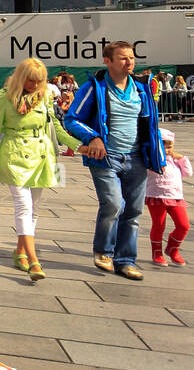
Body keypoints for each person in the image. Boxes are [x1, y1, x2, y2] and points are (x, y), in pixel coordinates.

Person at [65, 41, 166, 281]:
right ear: (107, 61)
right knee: (113, 204)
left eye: (131, 57)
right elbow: (71, 119)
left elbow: (151, 124)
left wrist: (158, 152)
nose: (129, 62)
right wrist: (93, 138)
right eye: (122, 58)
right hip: (106, 157)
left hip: (137, 157)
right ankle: (103, 251)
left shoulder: (142, 88)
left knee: (133, 211)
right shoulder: (95, 87)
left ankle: (126, 260)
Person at [0, 58, 84, 281]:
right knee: (23, 206)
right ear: (21, 77)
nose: (35, 85)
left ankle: (20, 251)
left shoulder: (45, 95)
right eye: (31, 80)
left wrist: (77, 145)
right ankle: (33, 259)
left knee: (34, 209)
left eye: (39, 81)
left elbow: (54, 125)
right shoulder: (3, 97)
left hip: (42, 154)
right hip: (14, 154)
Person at [145, 128, 192, 267]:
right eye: (163, 144)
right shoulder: (151, 159)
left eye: (169, 145)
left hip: (176, 197)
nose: (166, 148)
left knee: (183, 225)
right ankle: (157, 252)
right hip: (157, 196)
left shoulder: (175, 162)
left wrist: (181, 157)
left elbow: (188, 173)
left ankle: (173, 248)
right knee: (159, 225)